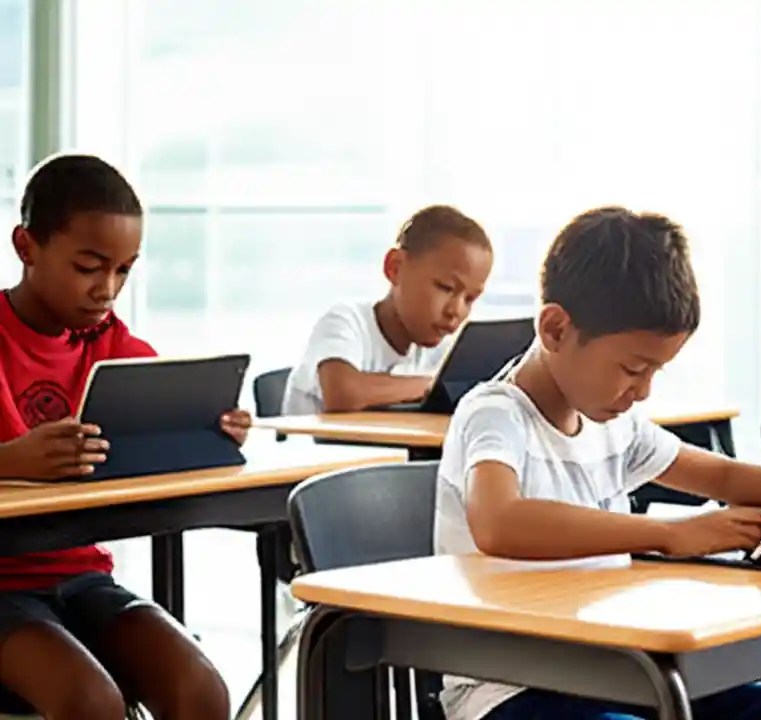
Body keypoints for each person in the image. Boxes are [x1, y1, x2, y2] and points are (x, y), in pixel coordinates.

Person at [435, 206, 761, 720]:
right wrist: (668, 533)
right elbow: (499, 522)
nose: (642, 391)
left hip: (616, 671)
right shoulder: (494, 414)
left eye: (655, 371)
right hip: (511, 690)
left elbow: (726, 476)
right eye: (632, 368)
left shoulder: (610, 426)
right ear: (555, 329)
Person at [0, 154, 242, 718]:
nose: (107, 289)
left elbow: (159, 416)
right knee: (92, 703)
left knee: (202, 690)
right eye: (88, 266)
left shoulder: (107, 343)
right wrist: (7, 460)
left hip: (80, 576)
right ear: (27, 246)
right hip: (3, 584)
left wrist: (211, 427)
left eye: (124, 270)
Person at [282, 205, 493, 414]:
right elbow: (343, 394)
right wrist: (433, 386)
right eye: (445, 288)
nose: (455, 311)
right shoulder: (345, 321)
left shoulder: (439, 350)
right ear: (395, 267)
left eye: (470, 299)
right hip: (317, 448)